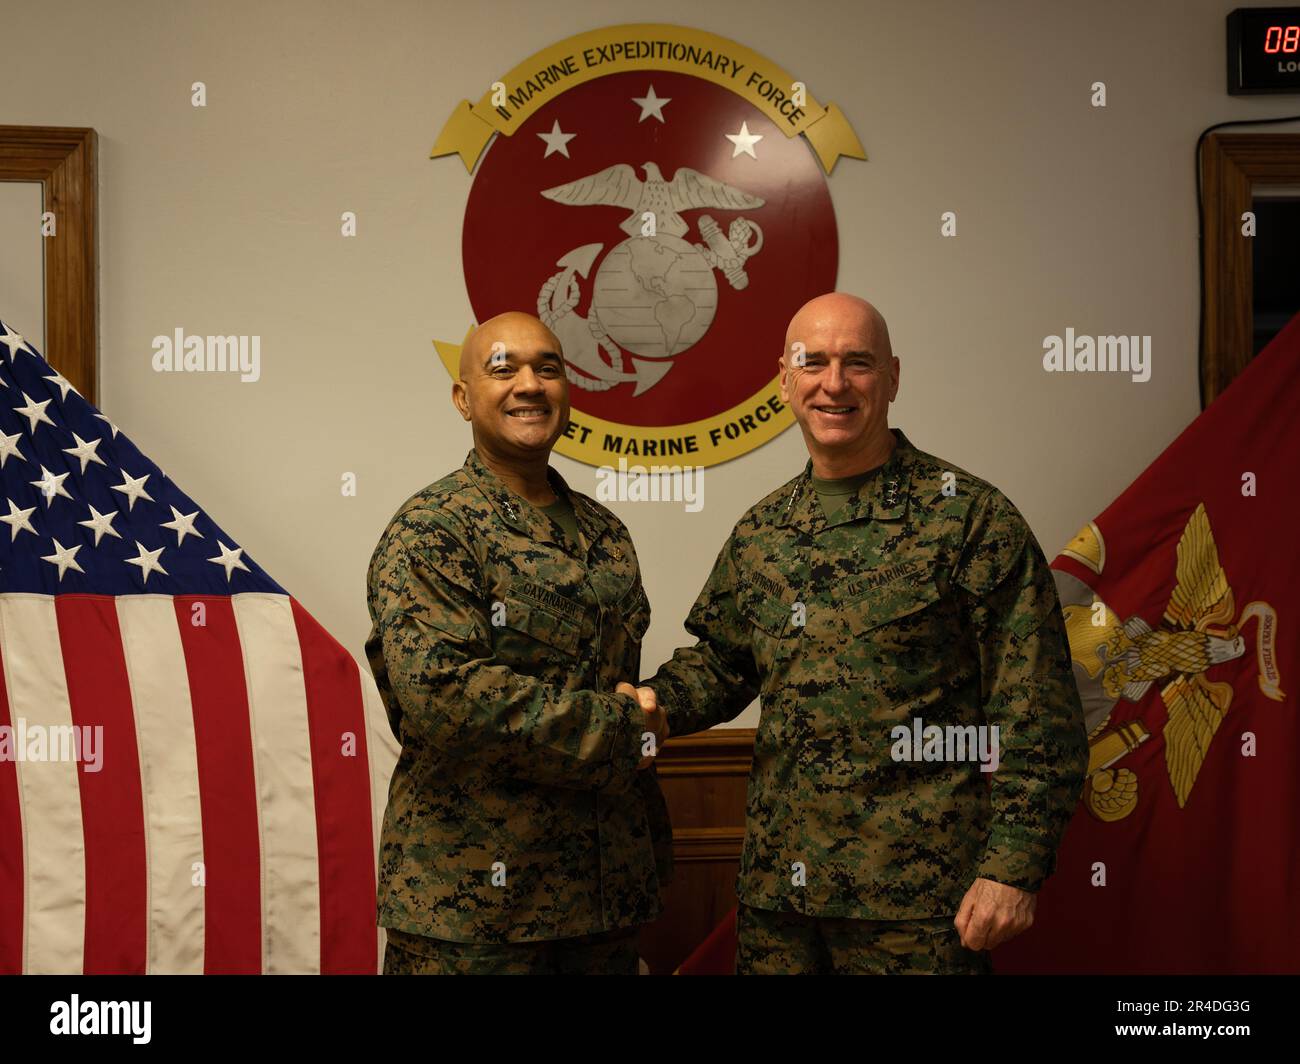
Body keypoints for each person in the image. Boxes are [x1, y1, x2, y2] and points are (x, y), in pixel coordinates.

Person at [635, 292, 1088, 974]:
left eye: (858, 362)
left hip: (919, 907)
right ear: (785, 380)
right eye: (812, 362)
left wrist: (1013, 868)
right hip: (780, 905)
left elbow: (1037, 714)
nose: (834, 383)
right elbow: (727, 663)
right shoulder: (764, 531)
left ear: (893, 378)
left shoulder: (970, 521)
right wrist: (652, 706)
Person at [366, 311, 670, 975]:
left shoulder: (606, 535)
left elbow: (620, 680)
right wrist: (620, 725)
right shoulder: (432, 530)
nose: (529, 384)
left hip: (602, 902)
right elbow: (445, 697)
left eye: (548, 368)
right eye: (503, 368)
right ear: (463, 397)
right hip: (473, 912)